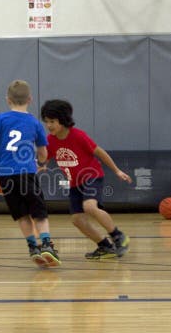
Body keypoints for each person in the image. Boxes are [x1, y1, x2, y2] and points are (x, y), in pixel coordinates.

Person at [0, 80, 58, 267]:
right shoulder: (35, 122)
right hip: (27, 173)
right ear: (30, 99)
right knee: (38, 211)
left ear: (8, 100)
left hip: (6, 175)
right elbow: (43, 152)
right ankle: (47, 244)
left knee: (21, 213)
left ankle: (32, 246)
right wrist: (41, 162)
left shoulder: (0, 119)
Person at [40, 99, 132, 260]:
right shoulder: (51, 140)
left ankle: (118, 236)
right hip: (74, 183)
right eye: (46, 121)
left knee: (89, 206)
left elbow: (99, 152)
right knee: (77, 220)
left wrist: (117, 171)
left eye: (52, 121)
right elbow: (45, 159)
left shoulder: (78, 136)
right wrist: (41, 166)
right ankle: (105, 246)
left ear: (63, 120)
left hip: (92, 176)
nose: (49, 125)